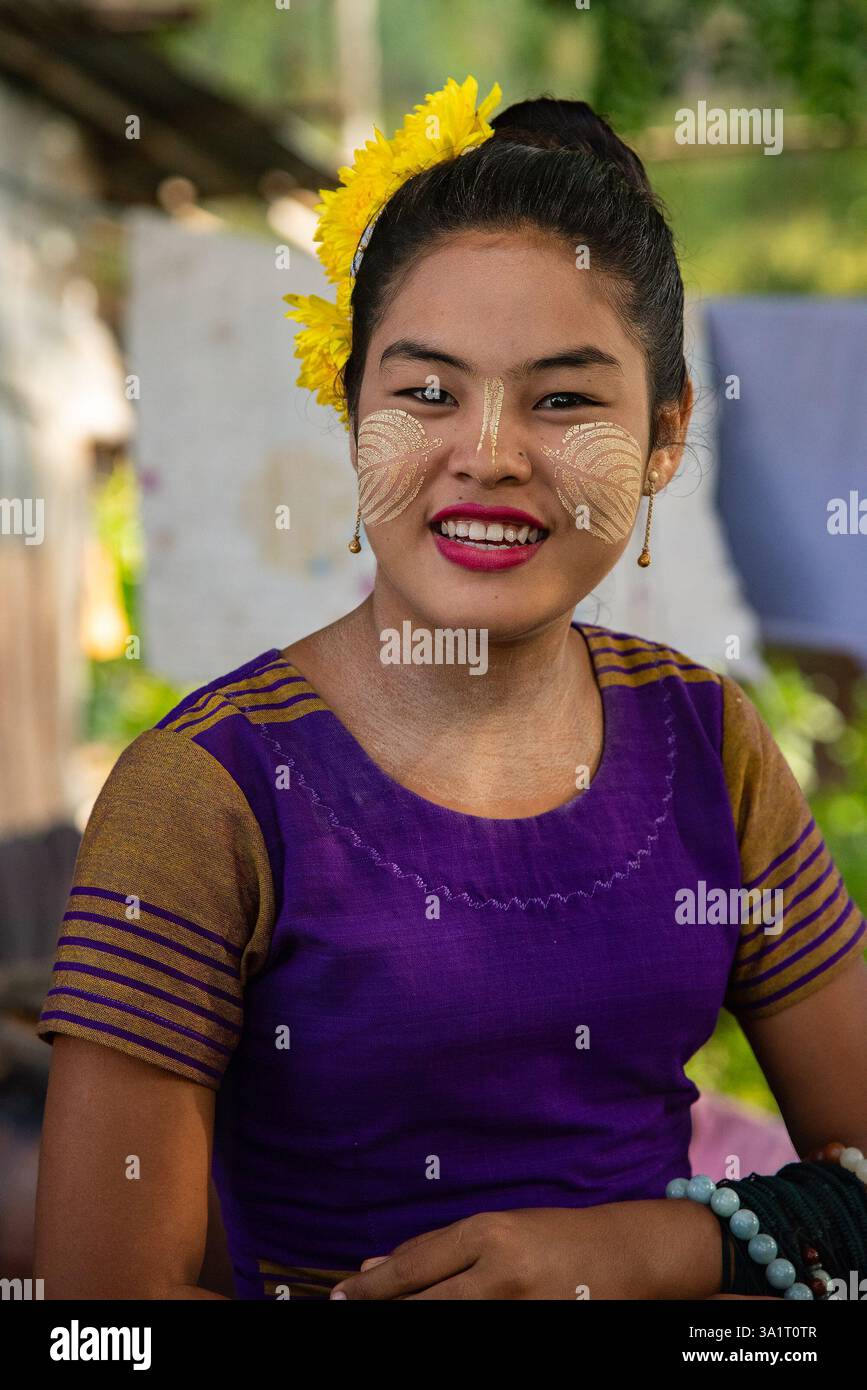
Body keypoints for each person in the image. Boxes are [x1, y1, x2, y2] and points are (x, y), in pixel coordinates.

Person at [34, 79, 867, 1300]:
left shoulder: (707, 742)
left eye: (565, 397)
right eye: (427, 391)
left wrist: (647, 1250)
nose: (487, 453)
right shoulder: (206, 793)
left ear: (665, 437)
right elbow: (93, 1329)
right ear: (352, 412)